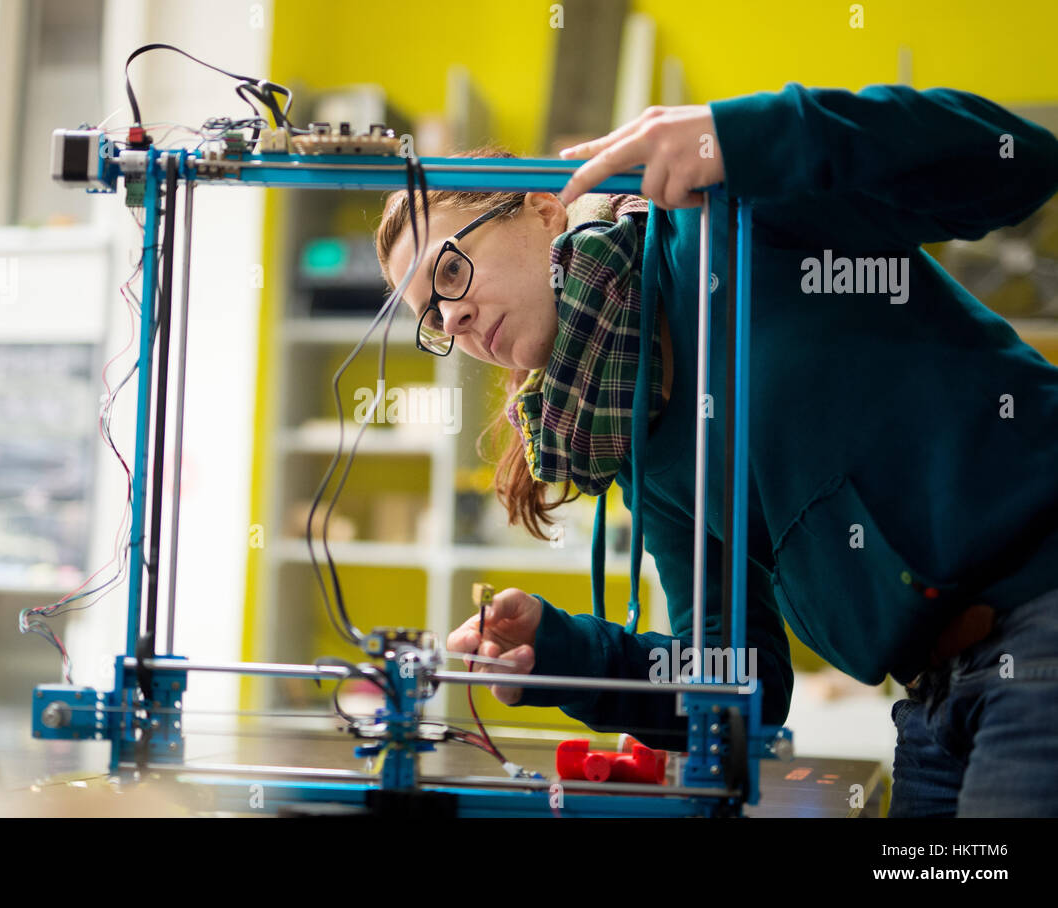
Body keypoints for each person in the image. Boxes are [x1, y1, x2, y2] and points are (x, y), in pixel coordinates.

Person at [374, 82, 1058, 817]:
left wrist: (740, 136)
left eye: (450, 271)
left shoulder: (729, 215)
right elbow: (743, 687)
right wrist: (560, 655)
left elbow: (1013, 161)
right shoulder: (639, 438)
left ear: (544, 211)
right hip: (932, 702)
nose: (458, 315)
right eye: (434, 317)